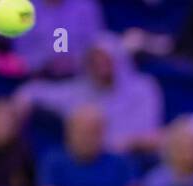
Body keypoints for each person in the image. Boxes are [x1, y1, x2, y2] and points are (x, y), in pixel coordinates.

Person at [14, 33, 164, 154]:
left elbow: (151, 136)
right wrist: (23, 98)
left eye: (106, 61)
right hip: (86, 160)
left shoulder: (143, 88)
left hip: (132, 160)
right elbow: (35, 91)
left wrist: (128, 143)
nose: (101, 67)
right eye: (95, 62)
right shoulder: (77, 90)